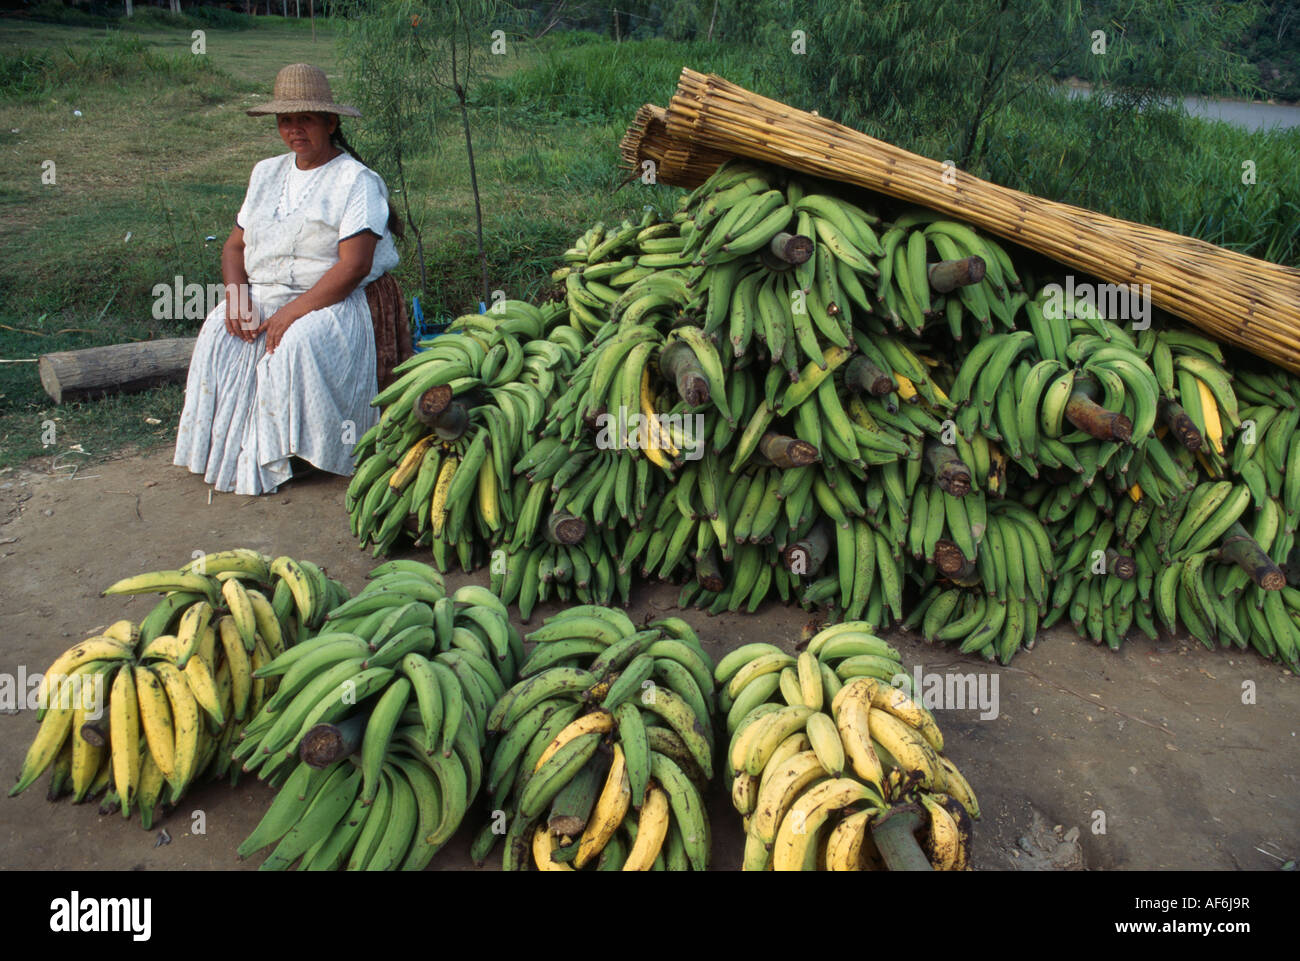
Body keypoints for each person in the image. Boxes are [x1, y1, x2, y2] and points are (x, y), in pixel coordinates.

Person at [173, 63, 401, 495]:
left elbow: (353, 266)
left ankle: (298, 452)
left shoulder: (356, 181)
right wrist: (239, 298)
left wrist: (291, 313)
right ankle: (238, 443)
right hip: (266, 291)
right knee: (219, 331)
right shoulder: (266, 173)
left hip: (336, 297)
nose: (295, 130)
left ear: (330, 122)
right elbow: (234, 248)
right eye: (286, 120)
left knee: (295, 342)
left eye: (306, 119)